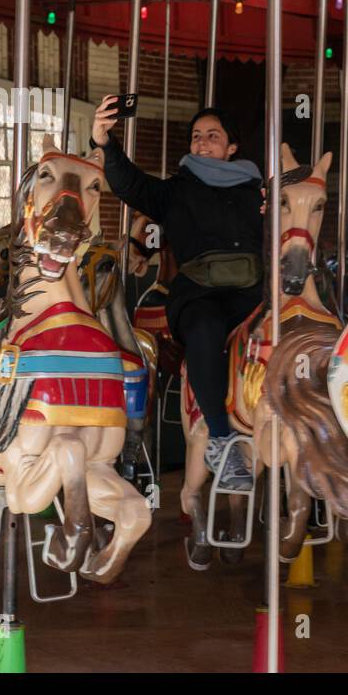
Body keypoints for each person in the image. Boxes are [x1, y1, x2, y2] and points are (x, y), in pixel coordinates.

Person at [92, 98, 261, 489]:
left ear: (231, 146)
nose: (202, 143)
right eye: (196, 137)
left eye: (212, 136)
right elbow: (130, 184)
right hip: (199, 294)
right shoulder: (175, 191)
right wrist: (105, 142)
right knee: (206, 327)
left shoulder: (257, 191)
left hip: (251, 291)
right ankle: (221, 438)